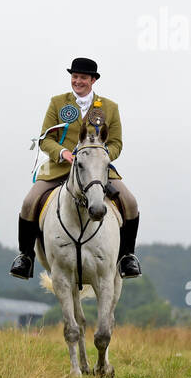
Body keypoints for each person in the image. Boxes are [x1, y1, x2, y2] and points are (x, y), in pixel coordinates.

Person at [9, 57, 141, 279]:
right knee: (29, 202)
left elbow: (116, 143)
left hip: (96, 171)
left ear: (93, 80)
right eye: (74, 77)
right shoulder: (58, 103)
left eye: (82, 77)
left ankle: (128, 256)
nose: (77, 81)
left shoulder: (109, 107)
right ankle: (25, 257)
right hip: (61, 167)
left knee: (130, 203)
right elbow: (44, 139)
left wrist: (101, 156)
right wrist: (63, 153)